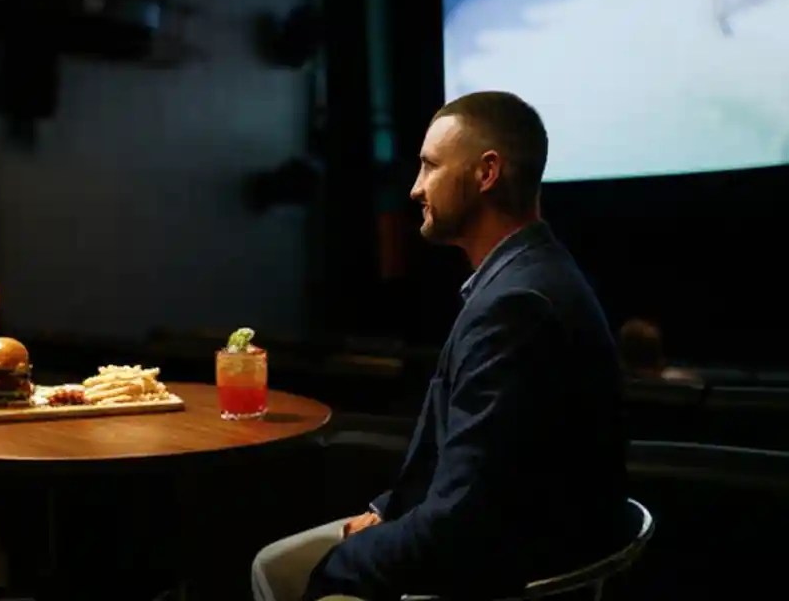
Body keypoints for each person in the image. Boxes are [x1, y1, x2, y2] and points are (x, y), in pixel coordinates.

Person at [251, 92, 629, 601]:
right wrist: (388, 510)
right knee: (272, 566)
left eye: (429, 167)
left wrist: (339, 566)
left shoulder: (515, 305)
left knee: (291, 576)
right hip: (511, 537)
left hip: (505, 571)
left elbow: (461, 522)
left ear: (486, 173)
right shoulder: (528, 275)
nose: (414, 189)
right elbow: (474, 464)